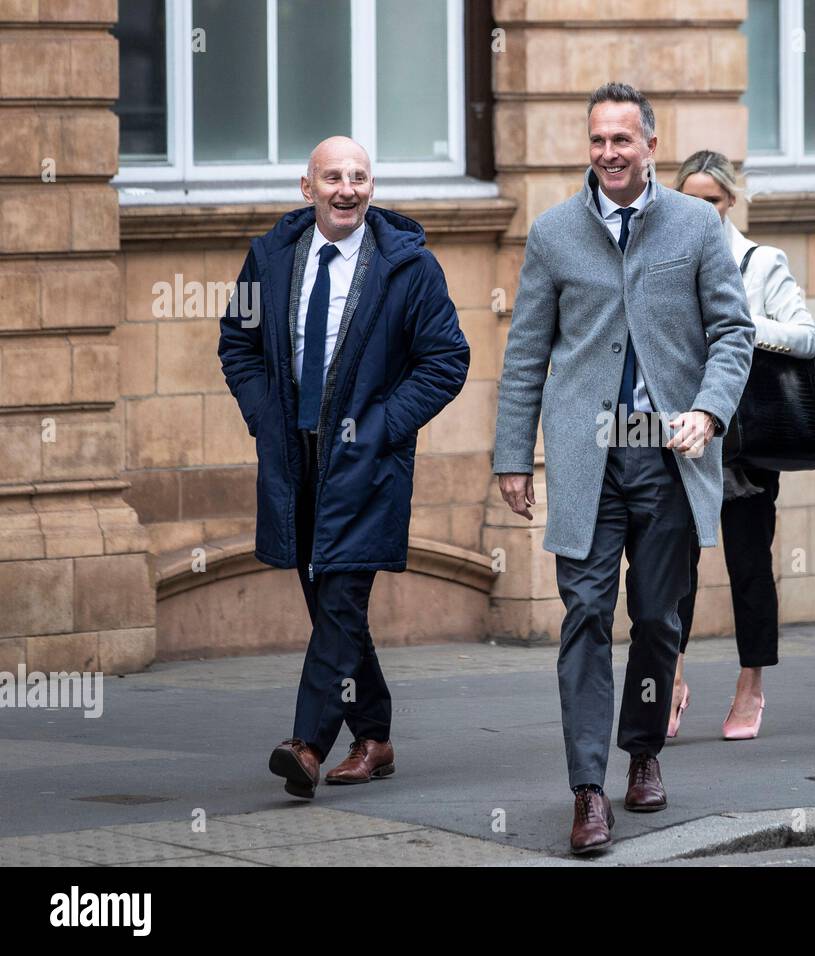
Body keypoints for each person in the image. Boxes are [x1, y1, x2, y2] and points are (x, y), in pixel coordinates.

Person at [492, 83, 753, 854]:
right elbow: (526, 354)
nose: (609, 152)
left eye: (623, 140)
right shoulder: (553, 233)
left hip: (669, 454)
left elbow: (733, 333)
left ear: (649, 145)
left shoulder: (697, 224)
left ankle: (643, 753)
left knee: (657, 616)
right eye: (598, 140)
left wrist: (707, 410)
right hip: (586, 454)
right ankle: (586, 790)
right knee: (582, 616)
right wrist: (514, 455)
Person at [218, 136, 470, 799]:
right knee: (330, 604)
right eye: (332, 177)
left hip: (365, 462)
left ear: (372, 187)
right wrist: (265, 418)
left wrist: (382, 428)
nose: (347, 189)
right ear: (308, 189)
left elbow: (447, 361)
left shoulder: (409, 267)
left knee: (338, 601)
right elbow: (236, 343)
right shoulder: (269, 260)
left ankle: (305, 743)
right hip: (292, 459)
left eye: (359, 177)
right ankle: (376, 735)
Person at [670, 149, 815, 740]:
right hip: (681, 440)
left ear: (730, 201)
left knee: (749, 568)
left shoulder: (760, 263)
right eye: (689, 199)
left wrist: (739, 328)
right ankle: (671, 681)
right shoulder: (663, 258)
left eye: (711, 199)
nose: (701, 210)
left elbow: (807, 338)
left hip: (744, 444)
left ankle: (750, 686)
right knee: (669, 570)